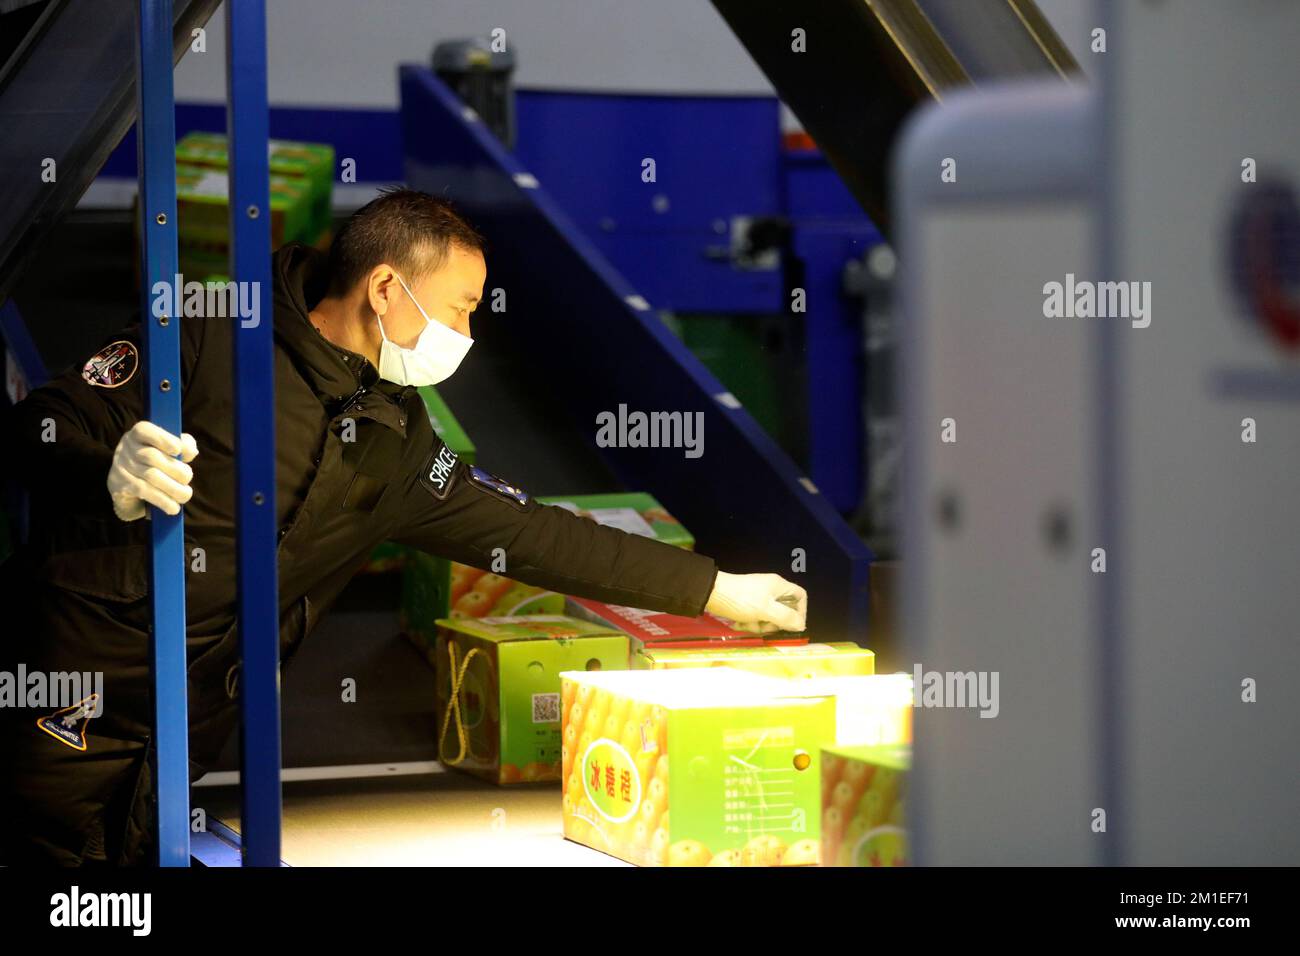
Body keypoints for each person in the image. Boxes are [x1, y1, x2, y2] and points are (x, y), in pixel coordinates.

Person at [0, 187, 806, 866]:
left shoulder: (396, 440)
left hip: (180, 737)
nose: (470, 335)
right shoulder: (209, 337)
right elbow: (37, 423)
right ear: (387, 288)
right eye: (462, 308)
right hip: (61, 695)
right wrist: (104, 469)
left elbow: (532, 533)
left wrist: (714, 589)